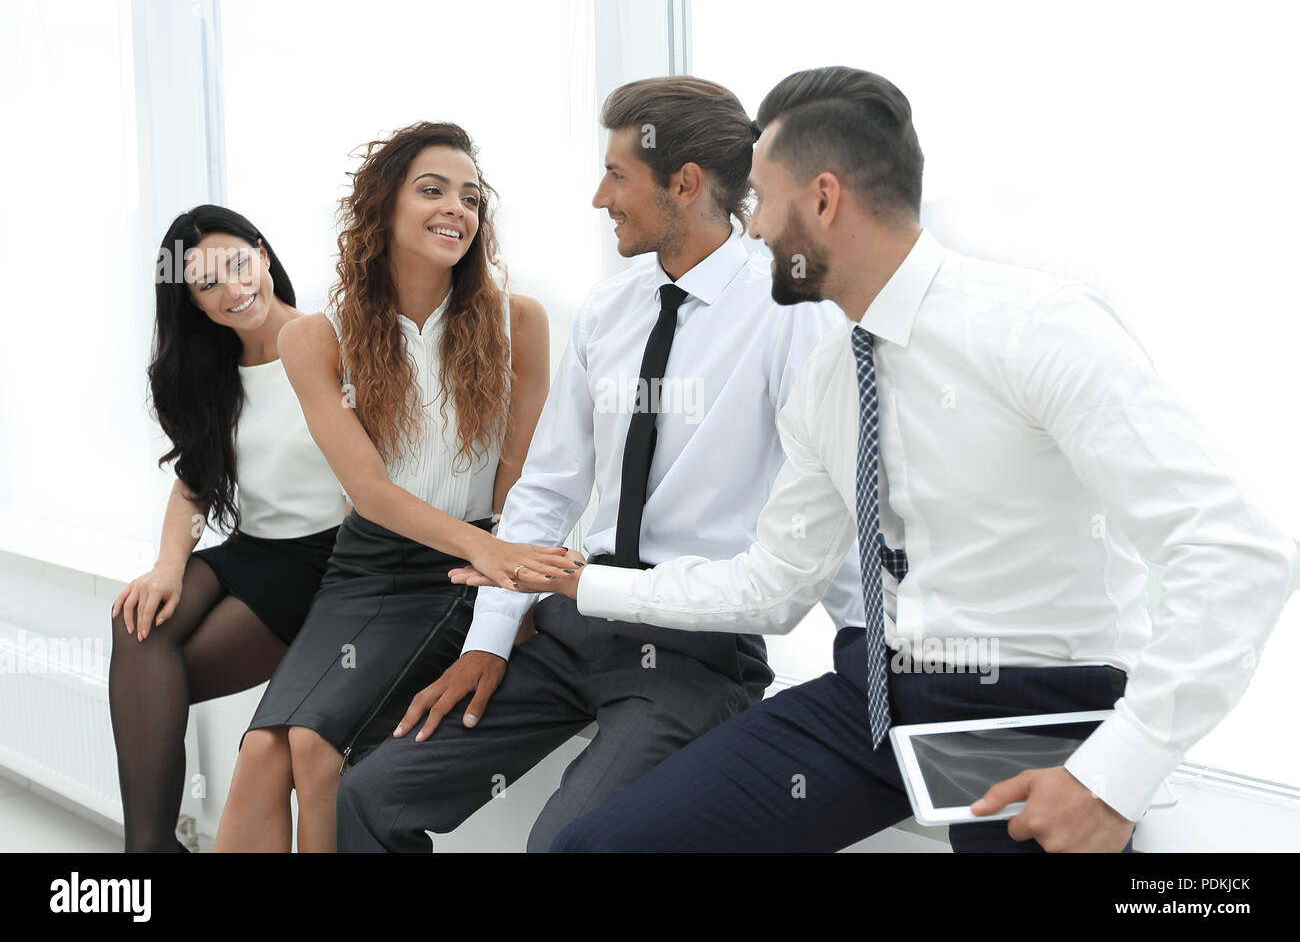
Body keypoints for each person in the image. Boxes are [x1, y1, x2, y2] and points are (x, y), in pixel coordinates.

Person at [492, 67, 1300, 853]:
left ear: (823, 199)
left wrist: (1114, 776)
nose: (754, 229)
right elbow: (773, 585)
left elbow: (1236, 553)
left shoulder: (1038, 328)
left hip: (1028, 711)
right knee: (597, 845)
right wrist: (578, 581)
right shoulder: (829, 376)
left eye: (763, 200)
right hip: (871, 697)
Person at [334, 77, 864, 853]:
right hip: (573, 624)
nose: (599, 197)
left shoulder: (793, 315)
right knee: (368, 794)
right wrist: (489, 638)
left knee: (568, 845)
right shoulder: (609, 311)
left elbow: (841, 503)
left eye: (617, 175)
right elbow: (549, 488)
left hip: (693, 647)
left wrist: (877, 659)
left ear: (685, 183)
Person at [213, 122, 568, 852]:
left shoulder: (518, 322)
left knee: (314, 749)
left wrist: (508, 590)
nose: (456, 209)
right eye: (432, 190)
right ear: (383, 207)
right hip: (367, 565)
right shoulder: (314, 337)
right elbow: (368, 490)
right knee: (262, 753)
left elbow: (521, 478)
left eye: (471, 197)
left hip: (459, 571)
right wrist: (492, 552)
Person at [110, 205, 349, 853]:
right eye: (207, 284)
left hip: (324, 561)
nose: (233, 290)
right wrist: (166, 567)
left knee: (155, 687)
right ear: (191, 301)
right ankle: (150, 848)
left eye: (239, 265)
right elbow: (194, 480)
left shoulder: (336, 343)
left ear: (263, 254)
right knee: (136, 623)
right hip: (248, 548)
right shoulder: (212, 370)